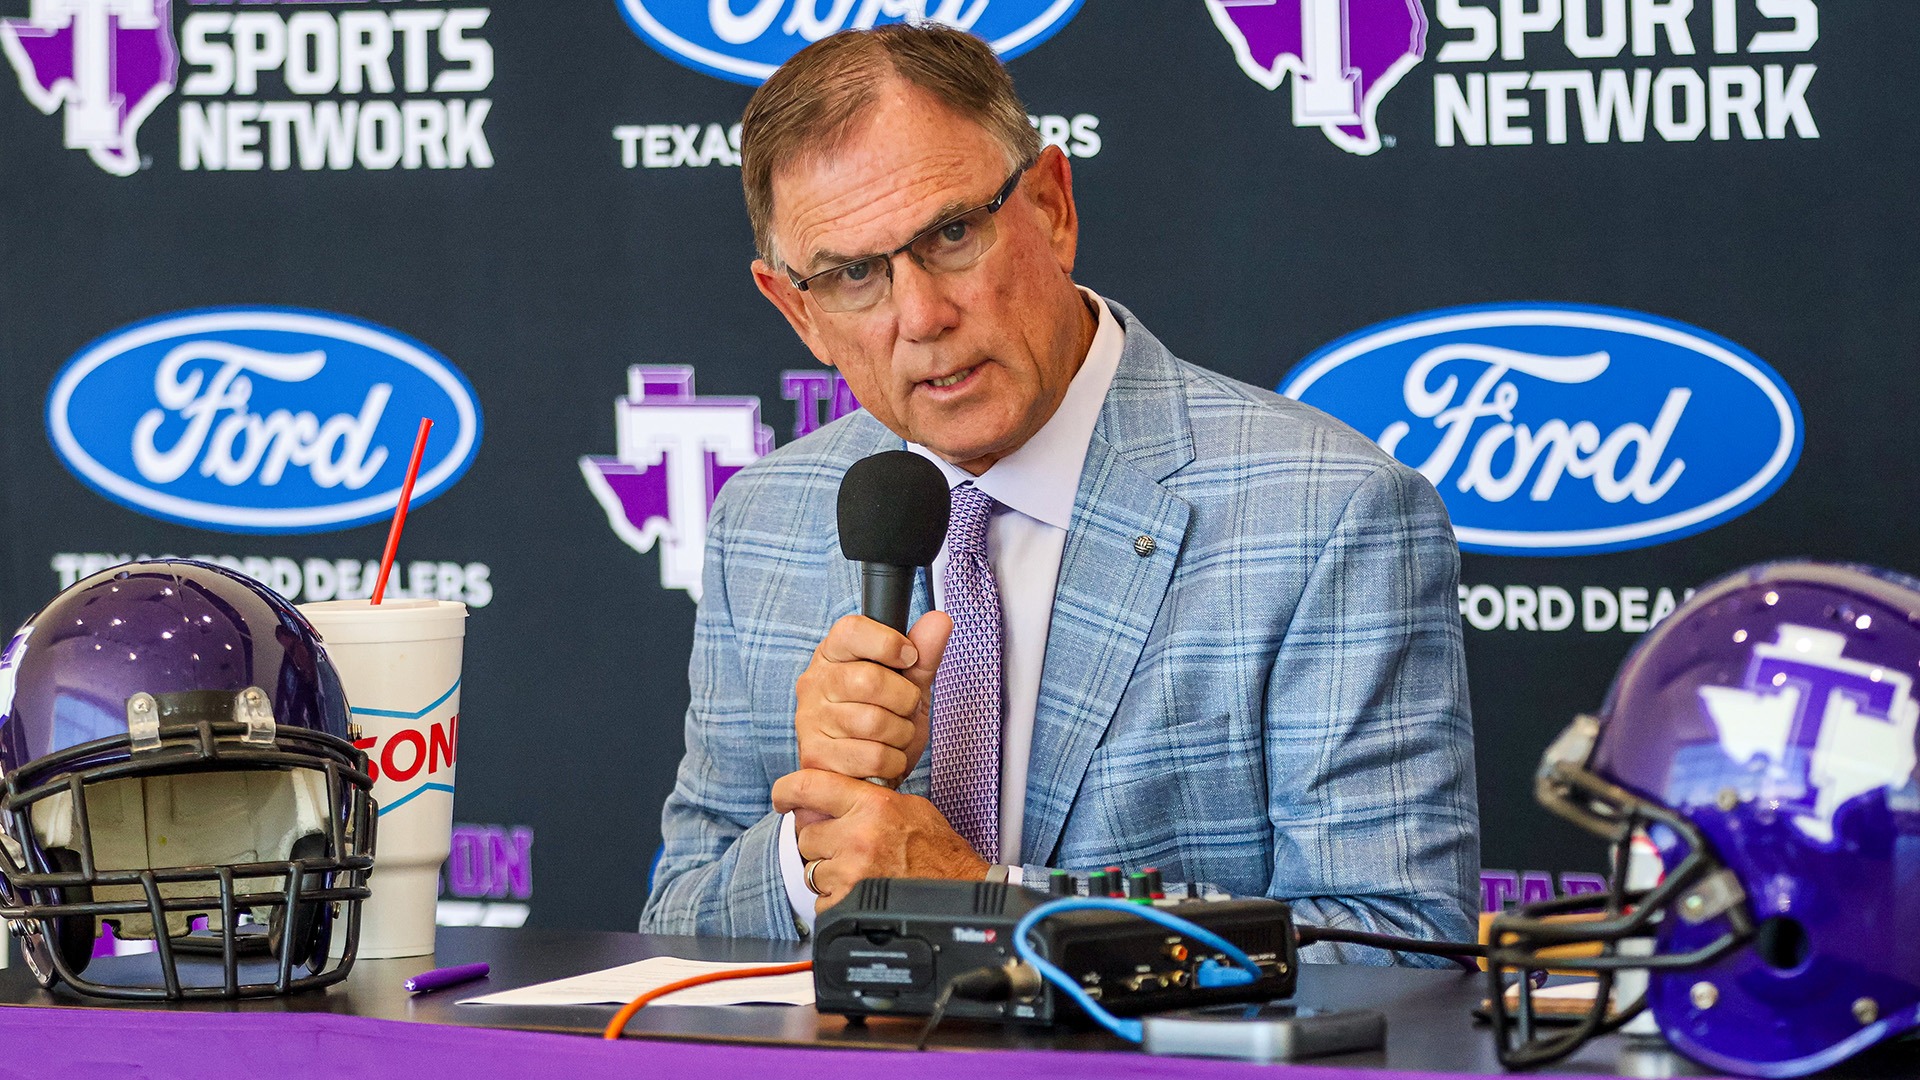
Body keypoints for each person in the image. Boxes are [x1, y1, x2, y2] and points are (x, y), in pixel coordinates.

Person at [639, 23, 1479, 960]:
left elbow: (1398, 954)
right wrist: (808, 850)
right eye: (853, 277)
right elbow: (675, 926)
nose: (922, 317)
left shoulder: (1330, 515)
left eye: (951, 234)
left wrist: (986, 905)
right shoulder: (763, 520)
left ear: (1051, 206)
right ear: (799, 311)